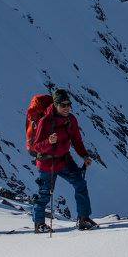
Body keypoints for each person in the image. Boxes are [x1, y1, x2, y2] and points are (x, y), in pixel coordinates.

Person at [29, 89, 97, 233]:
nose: (67, 108)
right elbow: (36, 146)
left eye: (69, 104)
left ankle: (83, 219)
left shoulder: (70, 119)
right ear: (55, 105)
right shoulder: (45, 121)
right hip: (47, 163)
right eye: (63, 105)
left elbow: (77, 140)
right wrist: (48, 141)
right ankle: (39, 224)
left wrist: (84, 156)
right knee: (44, 194)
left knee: (80, 183)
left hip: (64, 159)